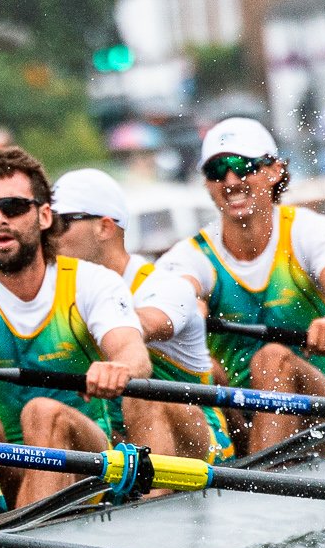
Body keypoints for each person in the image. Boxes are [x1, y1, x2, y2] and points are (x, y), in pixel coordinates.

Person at [0, 144, 173, 506]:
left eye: (15, 207)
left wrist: (120, 366)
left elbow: (131, 350)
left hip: (86, 458)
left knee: (42, 412)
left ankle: (20, 547)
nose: (0, 219)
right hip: (3, 469)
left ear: (45, 216)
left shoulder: (90, 282)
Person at [155, 118, 325, 455]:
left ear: (275, 171)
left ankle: (260, 486)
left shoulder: (307, 232)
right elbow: (178, 302)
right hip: (235, 422)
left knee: (271, 359)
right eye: (217, 170)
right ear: (207, 184)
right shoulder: (190, 256)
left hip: (314, 418)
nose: (231, 180)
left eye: (243, 166)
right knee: (202, 371)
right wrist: (185, 318)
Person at [47, 169, 234, 461]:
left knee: (140, 394)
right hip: (118, 445)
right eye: (44, 226)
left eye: (60, 224)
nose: (49, 237)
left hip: (201, 446)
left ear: (105, 228)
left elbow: (145, 323)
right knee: (43, 413)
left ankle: (153, 499)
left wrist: (114, 333)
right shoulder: (57, 298)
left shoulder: (165, 286)